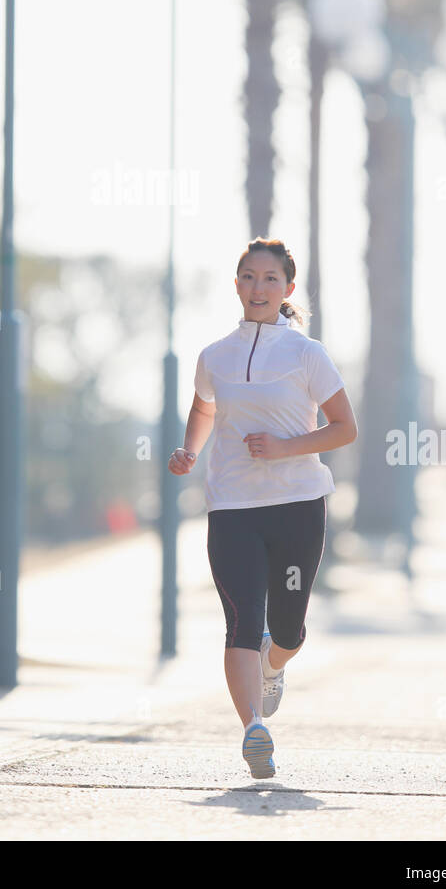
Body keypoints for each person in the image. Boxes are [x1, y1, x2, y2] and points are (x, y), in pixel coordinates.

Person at [167, 237, 357, 780]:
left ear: (288, 289)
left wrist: (284, 448)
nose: (258, 287)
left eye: (270, 279)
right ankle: (253, 728)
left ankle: (276, 662)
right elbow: (204, 407)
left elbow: (346, 428)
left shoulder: (307, 354)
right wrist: (189, 451)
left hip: (298, 505)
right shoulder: (215, 355)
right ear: (236, 284)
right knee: (242, 620)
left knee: (289, 631)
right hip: (232, 507)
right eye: (249, 277)